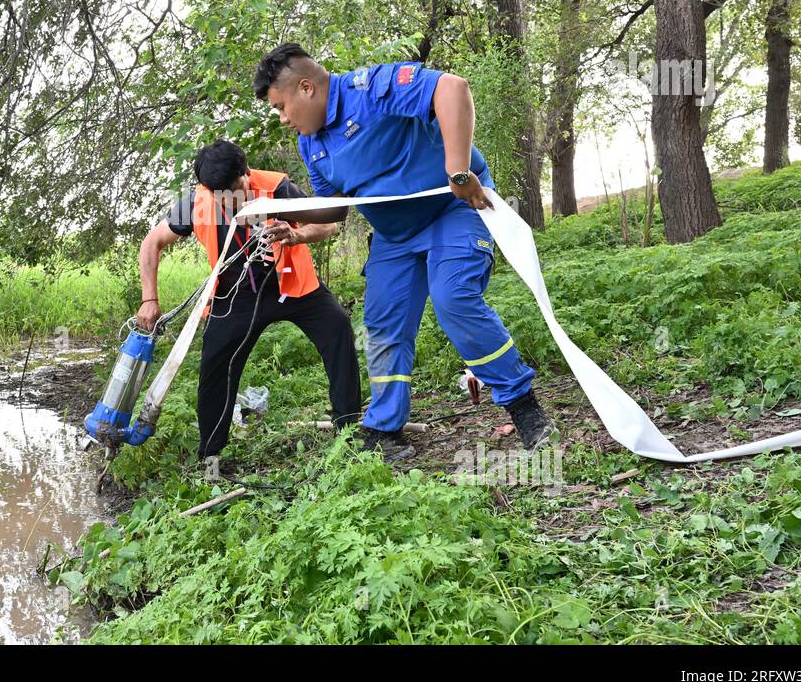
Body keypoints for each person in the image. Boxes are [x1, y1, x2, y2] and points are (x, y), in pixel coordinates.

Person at [252, 43, 556, 460]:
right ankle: (384, 429)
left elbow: (452, 89)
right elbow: (336, 208)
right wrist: (280, 211)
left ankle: (524, 407)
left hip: (454, 209)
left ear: (306, 88)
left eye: (281, 107)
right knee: (382, 325)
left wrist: (458, 171)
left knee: (454, 299)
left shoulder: (371, 89)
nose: (283, 119)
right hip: (395, 237)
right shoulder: (312, 144)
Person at [137, 140, 362, 461]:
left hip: (292, 285)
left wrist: (295, 234)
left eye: (237, 187)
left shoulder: (276, 188)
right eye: (221, 194)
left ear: (247, 171)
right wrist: (149, 299)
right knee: (215, 369)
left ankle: (348, 434)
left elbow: (328, 224)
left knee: (339, 328)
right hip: (235, 297)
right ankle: (211, 457)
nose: (232, 199)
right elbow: (152, 243)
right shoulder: (197, 202)